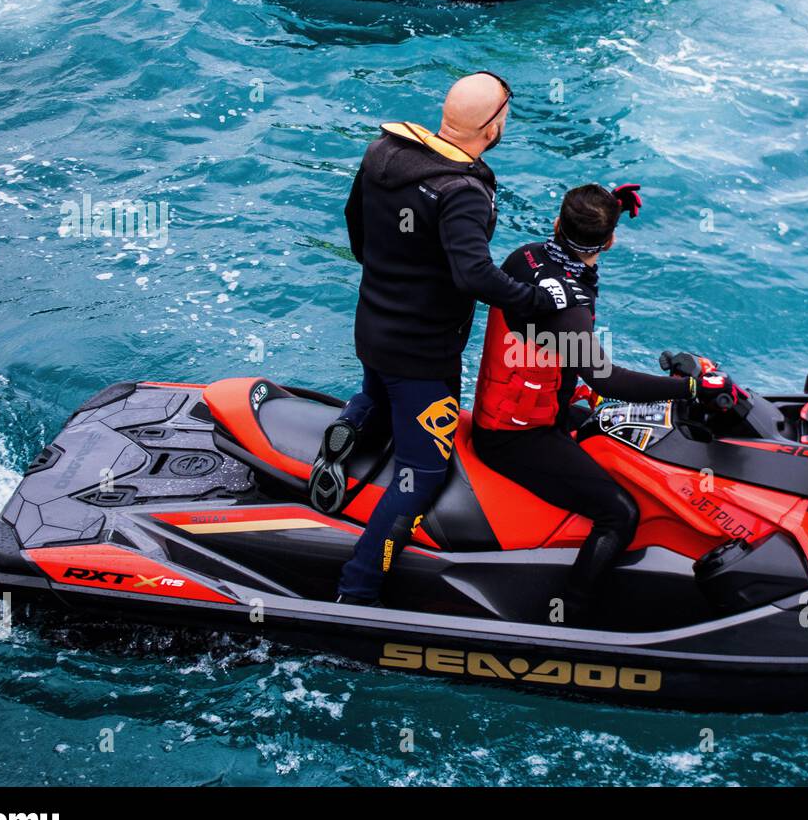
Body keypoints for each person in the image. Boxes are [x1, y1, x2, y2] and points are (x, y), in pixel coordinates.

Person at [314, 73, 582, 606]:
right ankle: (359, 588)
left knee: (380, 392)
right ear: (494, 125)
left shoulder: (382, 152)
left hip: (374, 323)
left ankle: (346, 431)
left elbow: (355, 227)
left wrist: (396, 279)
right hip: (423, 353)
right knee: (425, 471)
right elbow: (474, 276)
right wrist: (536, 301)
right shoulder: (461, 192)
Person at [471, 183, 738, 625]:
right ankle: (568, 615)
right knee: (619, 513)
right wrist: (690, 389)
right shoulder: (568, 310)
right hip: (514, 437)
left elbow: (559, 326)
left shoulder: (526, 256)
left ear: (557, 225)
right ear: (610, 241)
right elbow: (606, 378)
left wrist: (601, 208)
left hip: (535, 411)